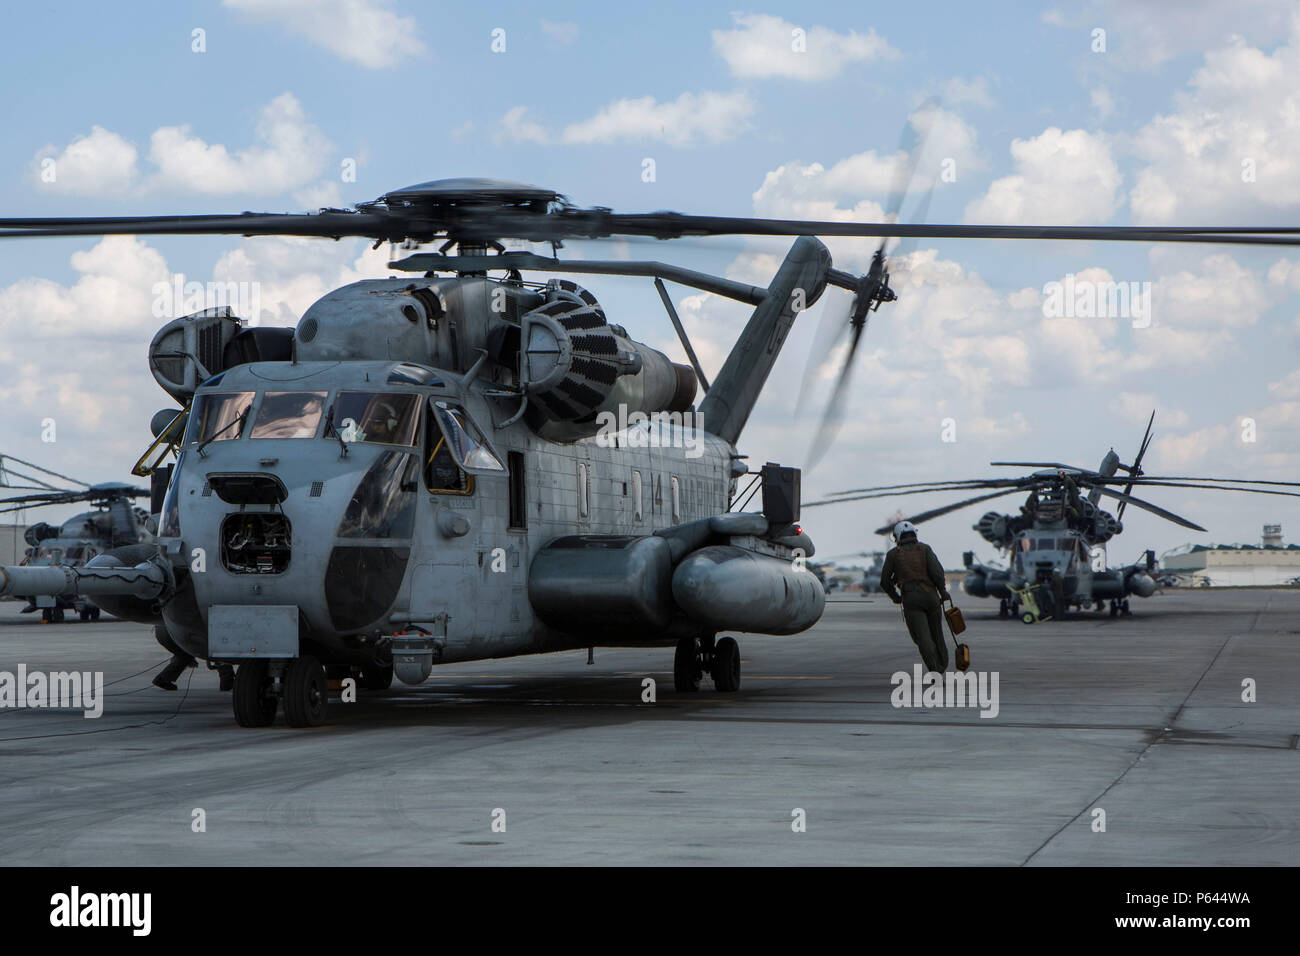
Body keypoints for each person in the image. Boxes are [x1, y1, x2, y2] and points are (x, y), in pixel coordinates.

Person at [880, 520, 951, 672]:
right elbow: (937, 572)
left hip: (912, 600)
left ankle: (935, 670)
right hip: (932, 597)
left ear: (897, 537)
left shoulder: (893, 554)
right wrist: (943, 591)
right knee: (937, 635)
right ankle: (942, 664)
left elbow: (885, 581)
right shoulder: (925, 549)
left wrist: (896, 597)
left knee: (923, 639)